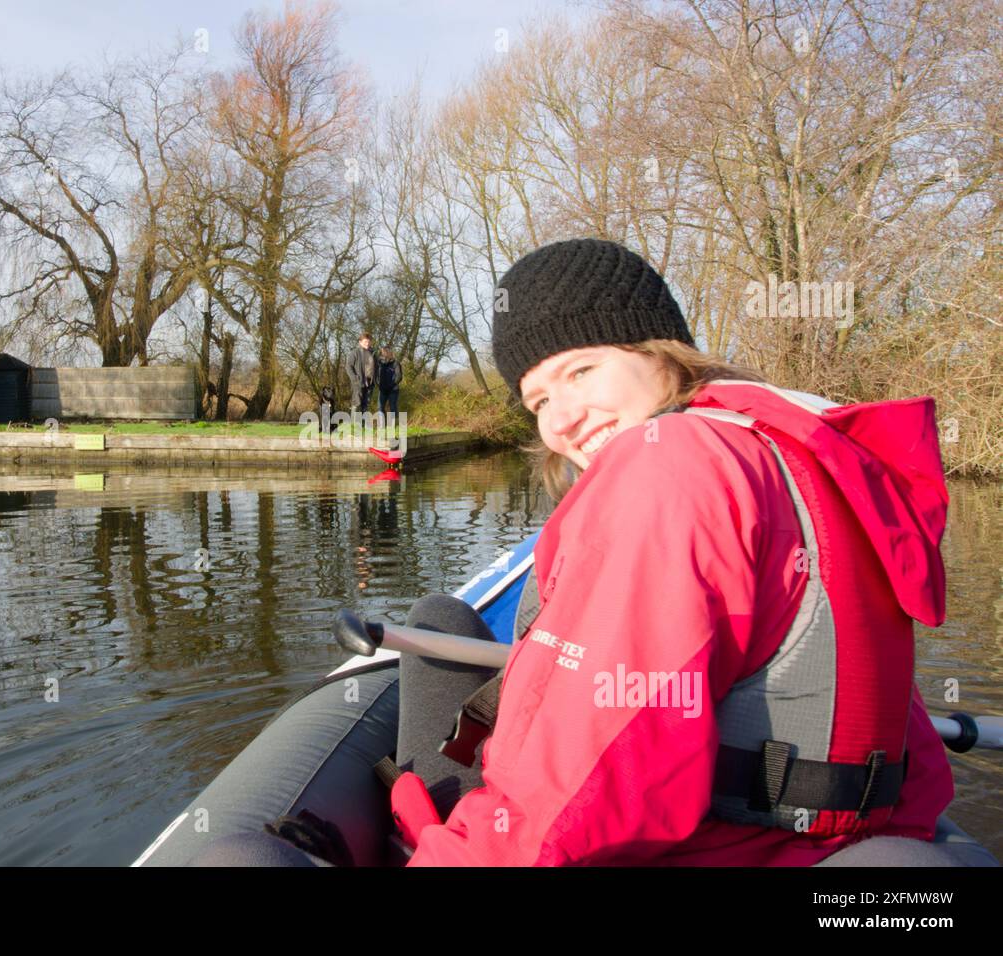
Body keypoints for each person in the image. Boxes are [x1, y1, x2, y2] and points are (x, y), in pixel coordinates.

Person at [403, 238, 954, 866]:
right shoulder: (799, 455)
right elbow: (916, 766)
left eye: (580, 371)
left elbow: (583, 798)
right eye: (539, 401)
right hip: (829, 846)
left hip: (714, 852)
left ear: (661, 353)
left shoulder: (665, 468)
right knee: (438, 623)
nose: (561, 421)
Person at [345, 332, 378, 415]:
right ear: (360, 342)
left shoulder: (373, 353)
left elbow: (377, 367)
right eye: (365, 342)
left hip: (370, 382)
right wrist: (355, 378)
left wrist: (376, 379)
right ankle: (354, 424)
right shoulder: (354, 352)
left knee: (366, 404)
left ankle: (363, 425)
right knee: (357, 403)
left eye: (369, 341)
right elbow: (348, 367)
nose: (367, 343)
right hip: (358, 382)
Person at [377, 346, 402, 419]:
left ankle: (393, 425)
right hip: (382, 389)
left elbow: (399, 376)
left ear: (388, 352)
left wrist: (391, 385)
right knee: (380, 407)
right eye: (382, 352)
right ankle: (381, 426)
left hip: (393, 389)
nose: (382, 353)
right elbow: (376, 375)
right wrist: (378, 384)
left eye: (384, 352)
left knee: (393, 407)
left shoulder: (396, 363)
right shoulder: (379, 363)